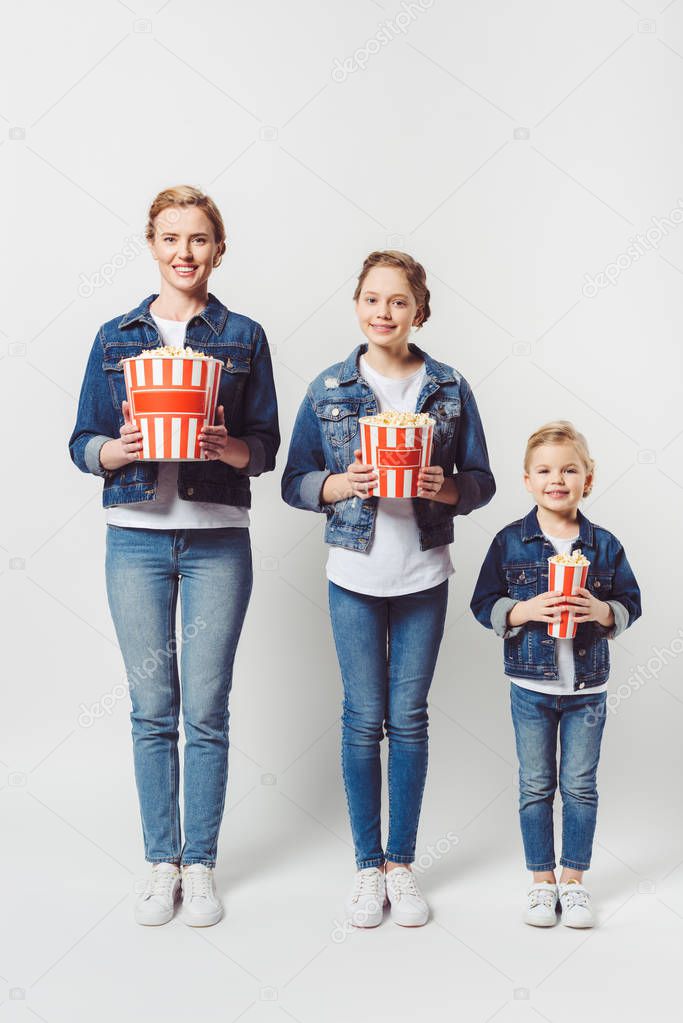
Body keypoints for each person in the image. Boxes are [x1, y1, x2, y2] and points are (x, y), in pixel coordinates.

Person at [68, 185, 279, 927]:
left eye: (198, 239)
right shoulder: (115, 334)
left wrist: (232, 447)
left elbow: (268, 448)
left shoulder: (244, 335)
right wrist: (111, 450)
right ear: (152, 245)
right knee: (152, 708)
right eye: (170, 238)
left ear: (218, 249)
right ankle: (162, 860)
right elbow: (80, 439)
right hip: (136, 540)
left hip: (218, 537)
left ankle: (202, 864)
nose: (184, 252)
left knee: (207, 709)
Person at [282, 250, 495, 927]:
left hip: (422, 574)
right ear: (356, 306)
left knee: (406, 719)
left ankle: (400, 865)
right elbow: (294, 479)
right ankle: (364, 867)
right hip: (353, 573)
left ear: (418, 311)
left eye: (397, 301)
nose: (382, 311)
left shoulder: (449, 387)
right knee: (360, 717)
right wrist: (338, 484)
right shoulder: (328, 386)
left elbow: (482, 479)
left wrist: (450, 487)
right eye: (371, 299)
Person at [470, 421, 641, 928]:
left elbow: (631, 603)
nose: (557, 479)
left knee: (581, 786)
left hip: (588, 690)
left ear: (588, 479)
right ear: (527, 480)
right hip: (532, 687)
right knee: (536, 784)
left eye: (569, 469)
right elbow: (484, 604)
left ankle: (574, 880)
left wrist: (602, 611)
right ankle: (542, 882)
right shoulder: (509, 541)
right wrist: (525, 610)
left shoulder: (604, 545)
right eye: (544, 470)